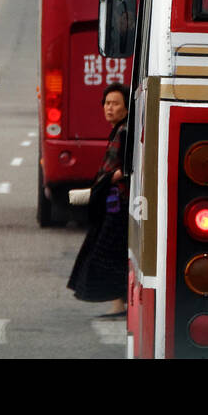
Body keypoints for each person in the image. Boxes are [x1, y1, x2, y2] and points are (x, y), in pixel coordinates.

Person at [67, 83, 131, 316]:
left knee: (106, 253)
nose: (109, 108)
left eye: (115, 103)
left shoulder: (125, 132)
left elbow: (125, 169)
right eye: (107, 103)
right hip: (114, 203)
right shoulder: (120, 130)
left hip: (120, 204)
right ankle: (120, 302)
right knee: (113, 252)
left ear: (126, 108)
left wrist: (105, 182)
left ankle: (118, 304)